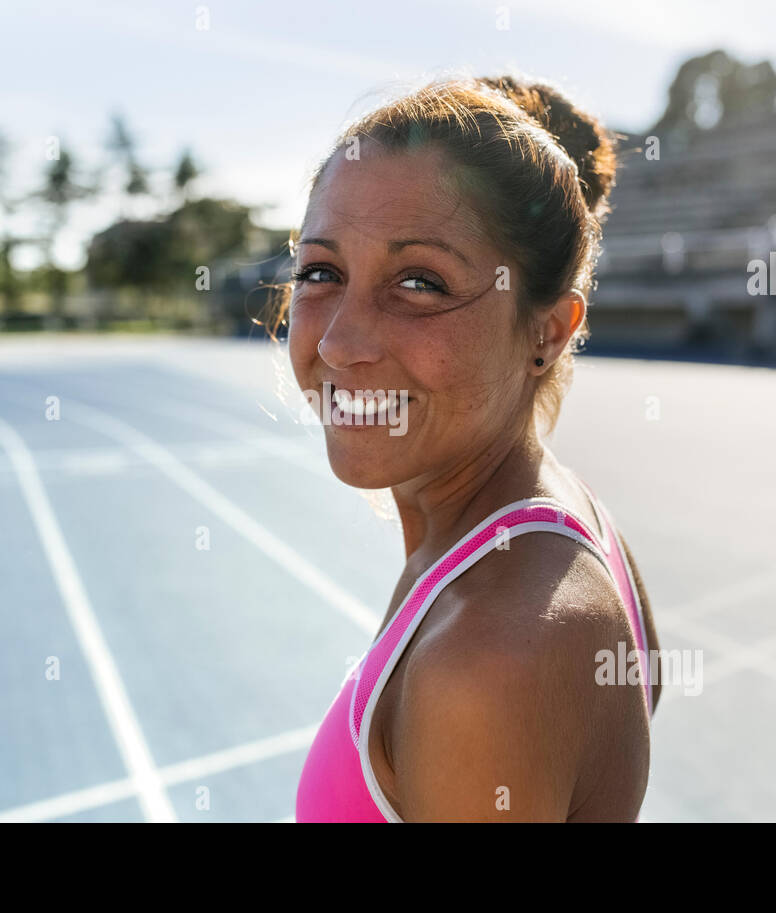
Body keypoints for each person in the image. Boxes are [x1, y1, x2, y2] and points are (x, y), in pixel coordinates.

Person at [278, 74, 661, 822]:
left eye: (419, 282)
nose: (339, 340)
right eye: (322, 271)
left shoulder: (487, 659)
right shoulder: (569, 519)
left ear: (548, 330)